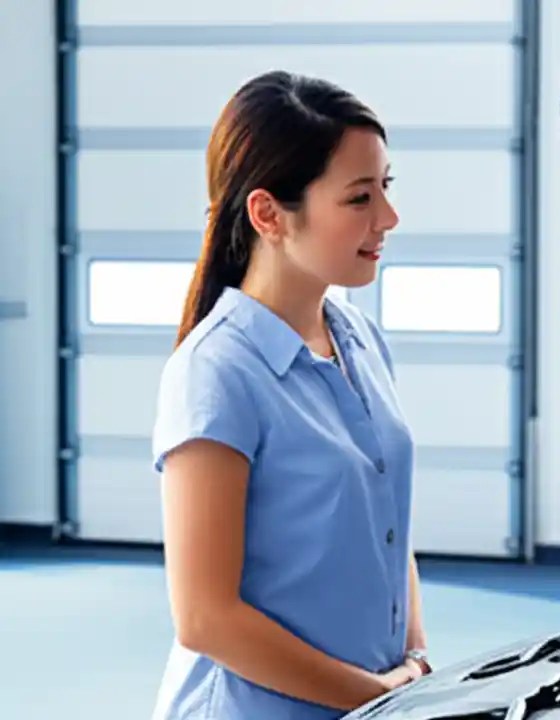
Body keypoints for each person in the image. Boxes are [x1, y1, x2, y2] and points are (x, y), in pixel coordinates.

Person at [150, 70, 429, 719]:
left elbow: (387, 524)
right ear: (269, 214)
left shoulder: (358, 336)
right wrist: (377, 697)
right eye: (359, 198)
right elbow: (204, 618)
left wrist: (414, 661)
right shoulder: (217, 372)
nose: (388, 218)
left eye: (384, 187)